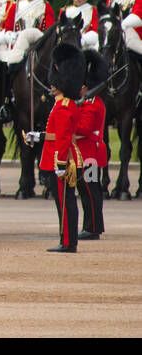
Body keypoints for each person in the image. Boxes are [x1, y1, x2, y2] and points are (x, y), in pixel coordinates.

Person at [25, 44, 85, 253]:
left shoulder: (66, 106)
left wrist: (59, 163)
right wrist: (39, 136)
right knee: (63, 202)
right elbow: (54, 134)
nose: (51, 86)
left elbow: (63, 138)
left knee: (65, 202)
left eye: (55, 83)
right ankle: (66, 238)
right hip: (58, 157)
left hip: (62, 160)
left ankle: (68, 241)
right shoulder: (62, 104)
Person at [75, 50, 108, 240]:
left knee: (90, 191)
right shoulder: (88, 101)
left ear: (86, 87)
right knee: (87, 191)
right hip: (88, 154)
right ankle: (92, 226)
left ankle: (93, 227)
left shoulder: (91, 104)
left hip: (89, 154)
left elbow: (84, 129)